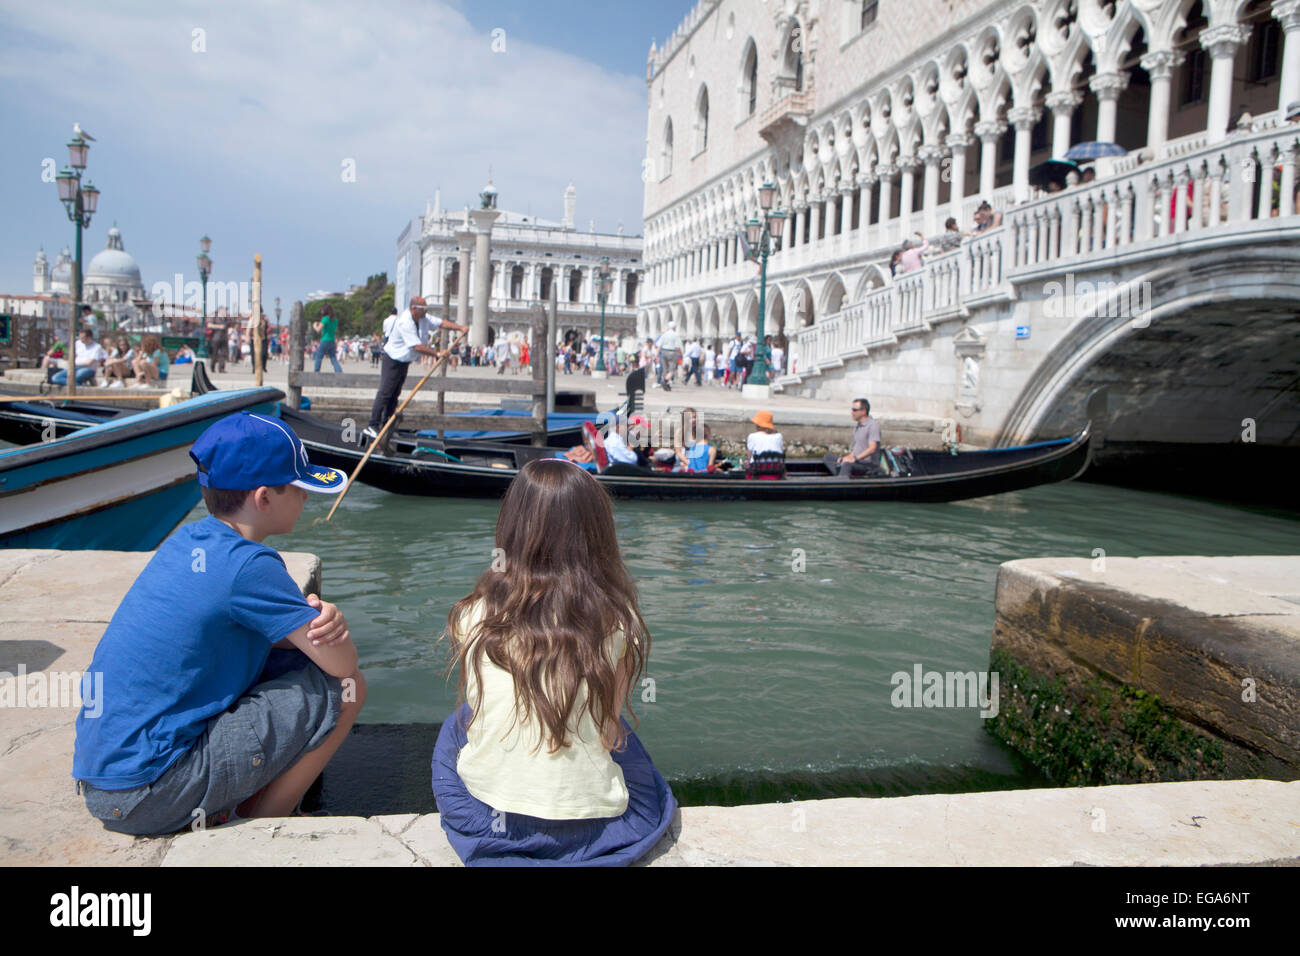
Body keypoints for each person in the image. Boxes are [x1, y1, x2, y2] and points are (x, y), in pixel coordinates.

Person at [73, 412, 365, 835]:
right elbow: (341, 664)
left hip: (109, 778)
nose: (306, 499)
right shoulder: (250, 565)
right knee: (349, 688)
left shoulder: (190, 541)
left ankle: (234, 804)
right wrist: (333, 628)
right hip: (148, 792)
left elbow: (249, 634)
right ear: (264, 498)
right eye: (299, 488)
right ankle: (263, 826)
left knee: (294, 665)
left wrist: (305, 625)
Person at [431, 459, 676, 865]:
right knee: (625, 737)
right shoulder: (620, 620)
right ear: (598, 534)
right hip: (597, 831)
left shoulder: (470, 615)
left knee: (455, 726)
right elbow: (610, 733)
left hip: (487, 823)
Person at [364, 296, 468, 442]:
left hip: (404, 361)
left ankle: (387, 426)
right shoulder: (405, 322)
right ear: (414, 309)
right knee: (385, 392)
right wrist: (438, 354)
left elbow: (441, 323)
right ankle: (372, 425)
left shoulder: (423, 317)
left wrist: (460, 328)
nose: (426, 312)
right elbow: (416, 346)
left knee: (395, 394)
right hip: (392, 359)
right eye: (423, 309)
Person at [824, 397, 883, 477]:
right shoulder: (857, 427)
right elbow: (856, 450)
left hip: (868, 465)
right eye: (852, 409)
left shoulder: (873, 426)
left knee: (847, 465)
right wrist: (846, 458)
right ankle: (841, 476)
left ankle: (841, 481)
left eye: (854, 410)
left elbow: (872, 448)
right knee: (828, 457)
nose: (851, 412)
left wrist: (854, 459)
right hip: (857, 461)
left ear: (863, 411)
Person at [312, 305, 342, 373]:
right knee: (333, 358)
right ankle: (339, 371)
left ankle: (316, 371)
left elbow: (318, 330)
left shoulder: (325, 318)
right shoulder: (335, 320)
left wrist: (314, 325)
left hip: (325, 340)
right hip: (332, 340)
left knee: (319, 356)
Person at [655, 322, 682, 390]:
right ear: (674, 328)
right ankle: (665, 381)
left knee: (665, 369)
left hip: (663, 352)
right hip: (672, 352)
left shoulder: (664, 334)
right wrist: (681, 355)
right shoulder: (675, 335)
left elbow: (658, 346)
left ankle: (667, 385)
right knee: (672, 370)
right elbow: (678, 347)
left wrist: (657, 355)